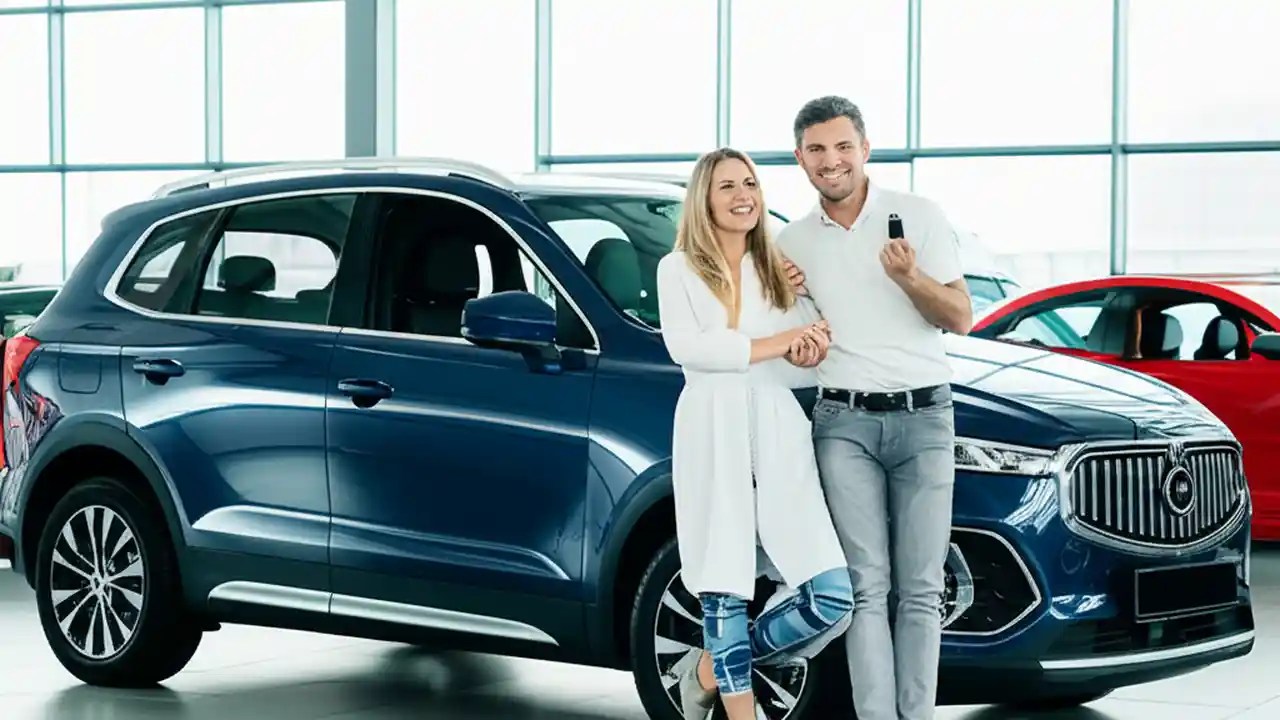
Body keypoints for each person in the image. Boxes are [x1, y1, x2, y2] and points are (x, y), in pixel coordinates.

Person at [775, 96, 972, 720]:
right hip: (845, 423)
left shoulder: (917, 216)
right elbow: (791, 342)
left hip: (925, 420)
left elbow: (960, 317)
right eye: (816, 150)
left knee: (919, 589)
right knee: (865, 587)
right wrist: (790, 300)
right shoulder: (793, 242)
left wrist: (909, 276)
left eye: (841, 147)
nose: (830, 162)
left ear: (865, 149)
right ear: (800, 159)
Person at [656, 146, 855, 720]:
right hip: (711, 425)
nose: (744, 195)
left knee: (832, 594)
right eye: (728, 186)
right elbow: (691, 350)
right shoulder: (679, 268)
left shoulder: (777, 268)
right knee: (722, 582)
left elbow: (799, 358)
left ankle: (706, 669)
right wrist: (778, 345)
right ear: (704, 198)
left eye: (751, 183)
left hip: (775, 425)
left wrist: (811, 347)